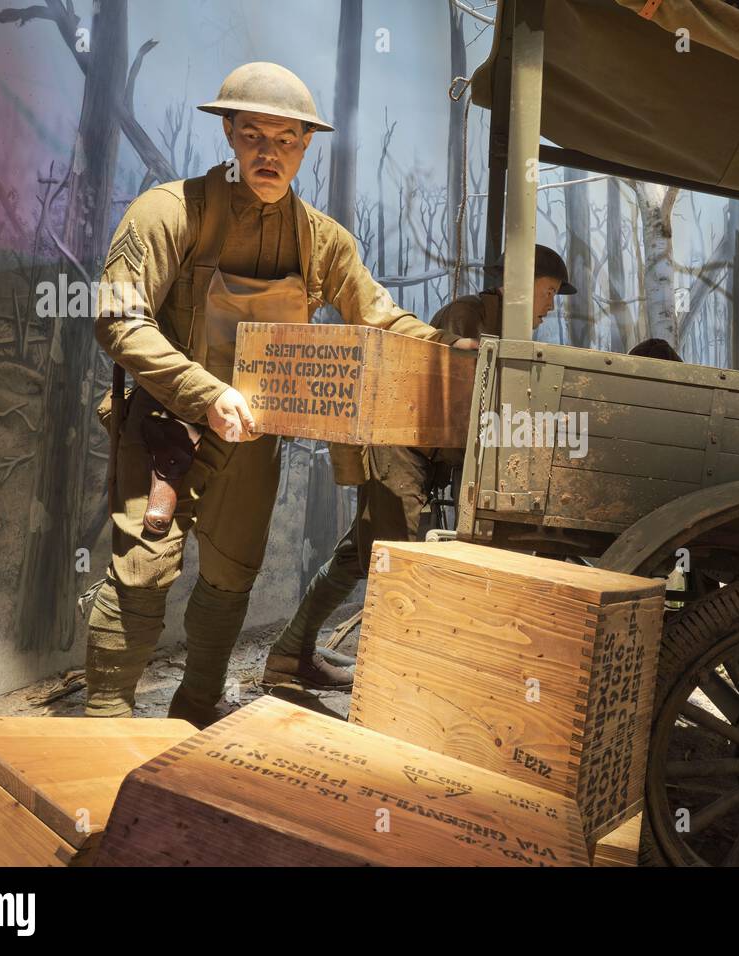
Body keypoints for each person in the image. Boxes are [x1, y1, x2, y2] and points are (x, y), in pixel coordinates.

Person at [85, 62, 477, 728]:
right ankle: (101, 725)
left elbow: (378, 317)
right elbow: (118, 318)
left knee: (233, 573)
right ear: (230, 135)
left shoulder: (321, 241)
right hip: (168, 428)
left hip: (254, 438)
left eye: (286, 139)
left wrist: (448, 350)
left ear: (306, 145)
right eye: (253, 136)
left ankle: (196, 713)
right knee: (144, 568)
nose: (268, 153)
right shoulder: (169, 212)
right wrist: (201, 391)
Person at [261, 245, 576, 691]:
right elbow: (455, 403)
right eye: (548, 292)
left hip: (425, 456)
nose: (550, 305)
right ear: (519, 285)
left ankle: (291, 653)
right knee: (398, 559)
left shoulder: (509, 328)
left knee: (360, 551)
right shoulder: (467, 317)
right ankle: (392, 682)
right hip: (402, 444)